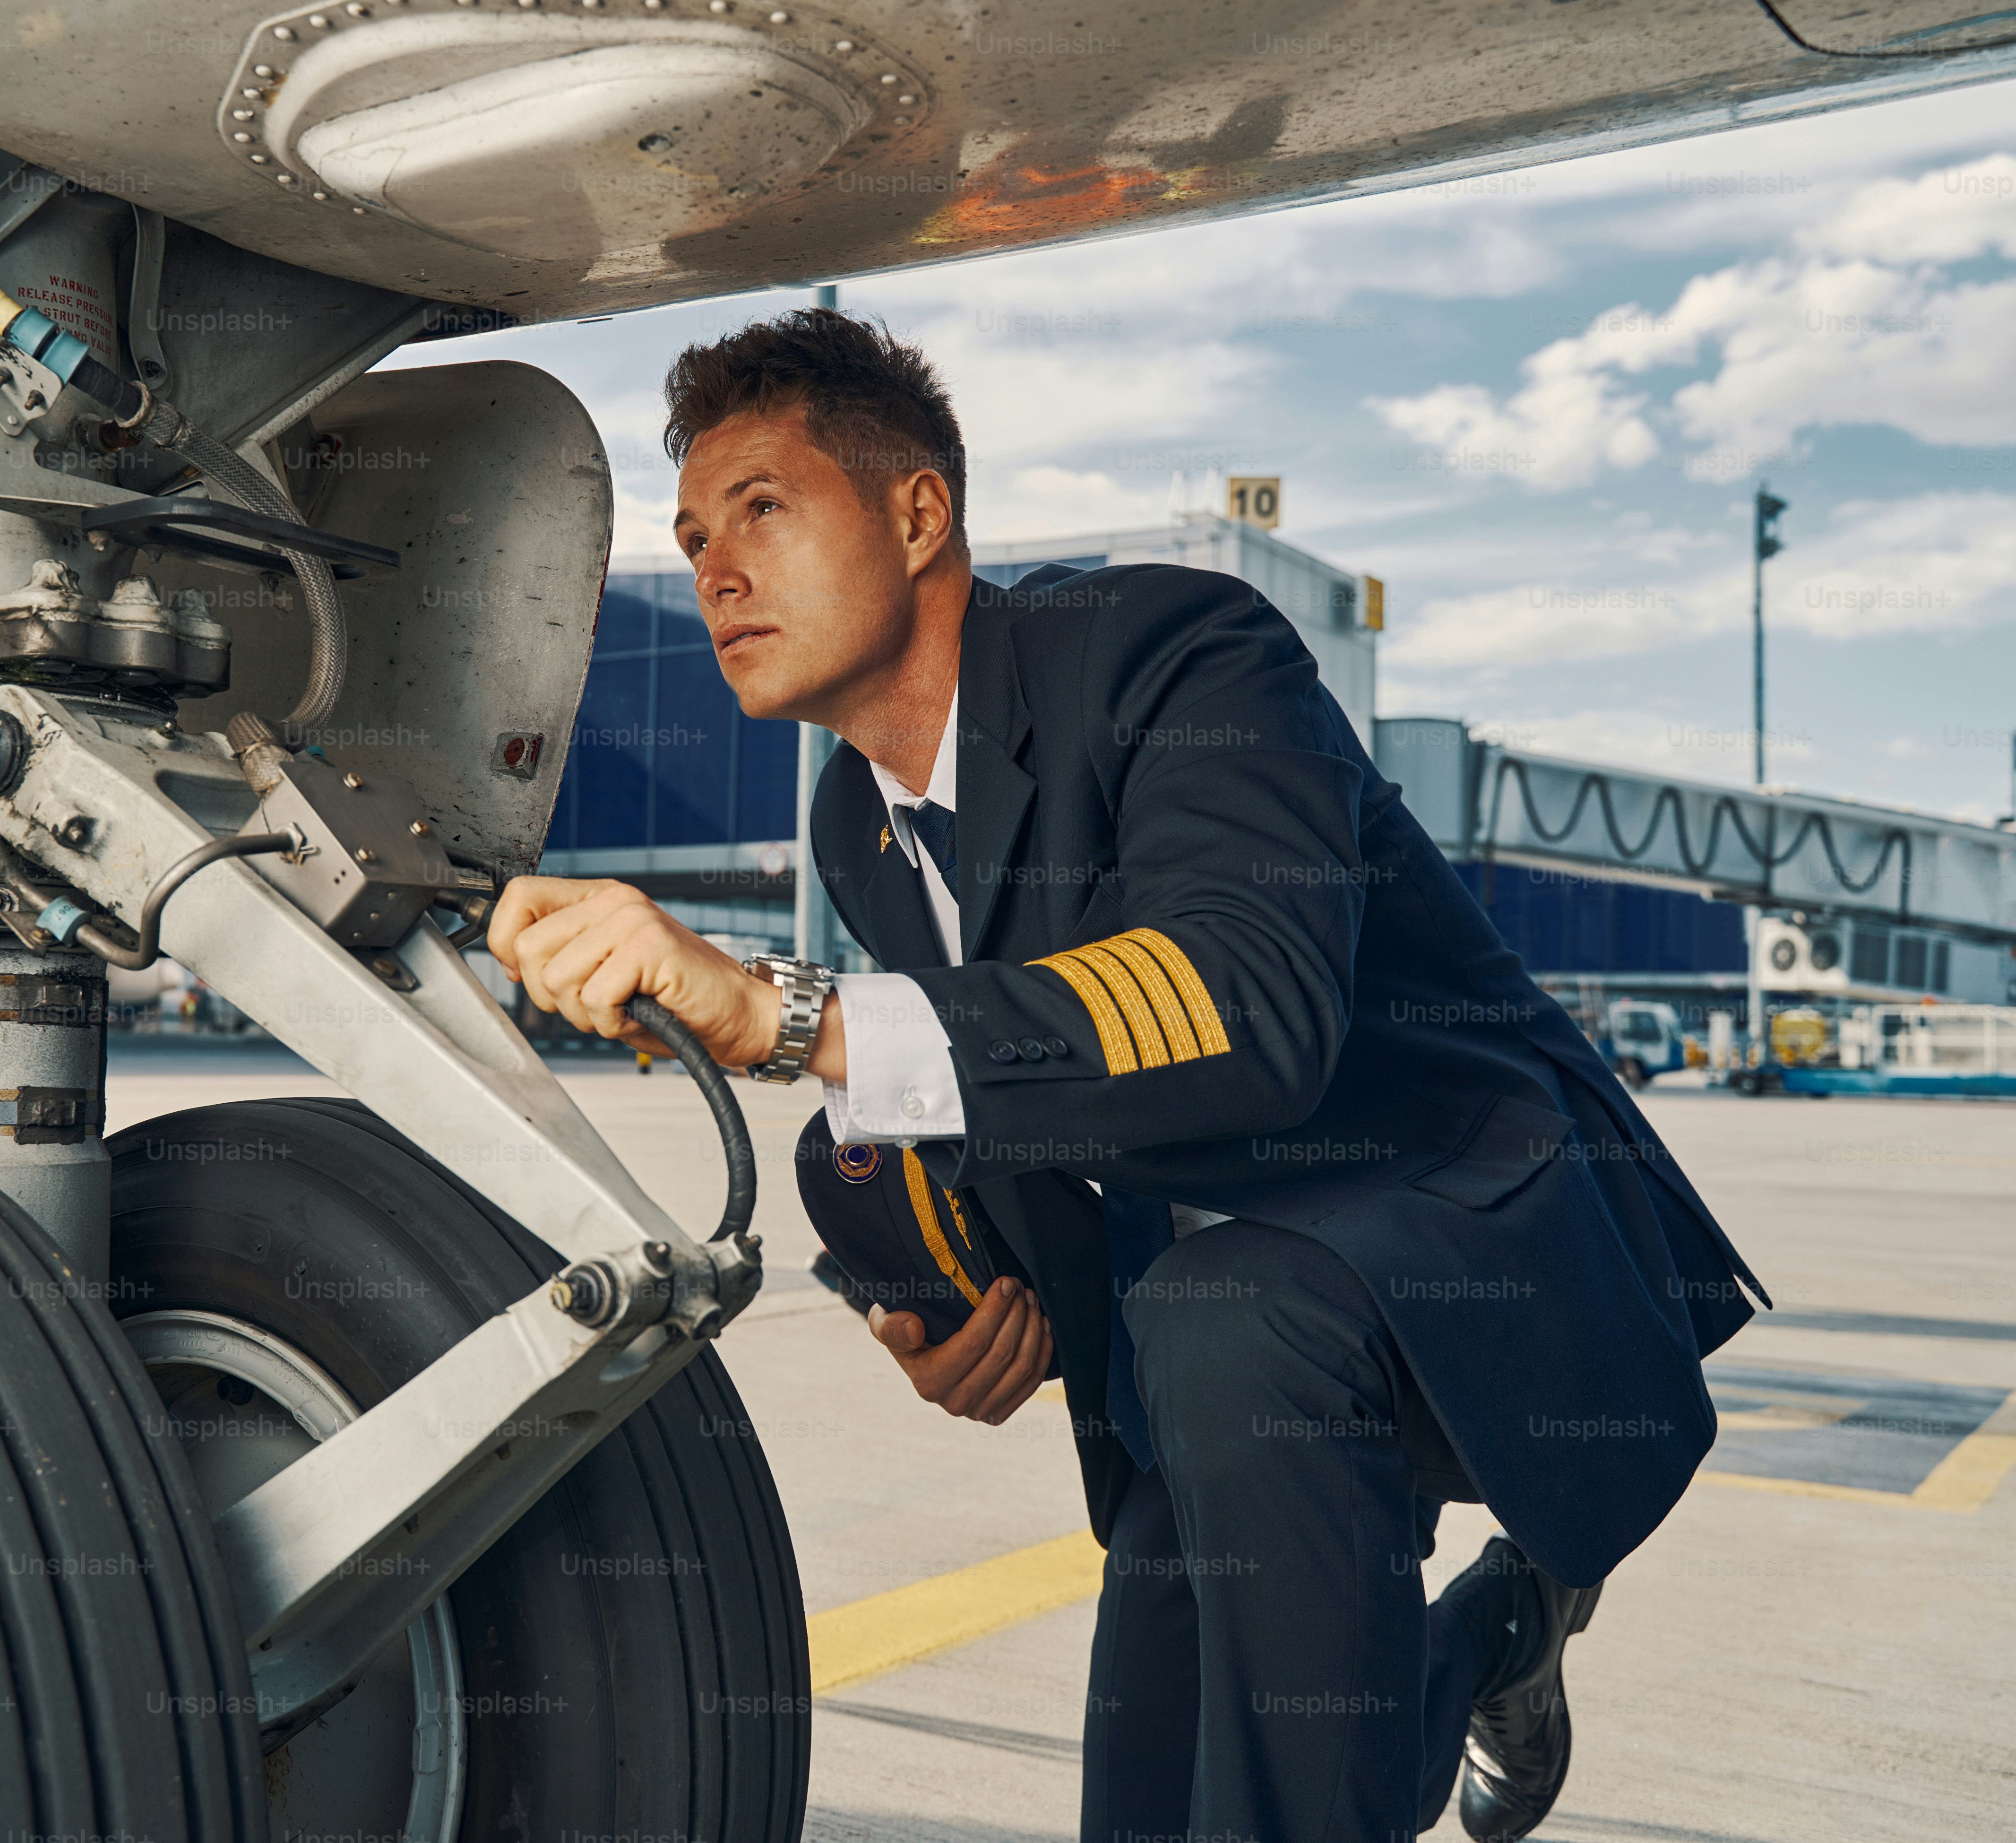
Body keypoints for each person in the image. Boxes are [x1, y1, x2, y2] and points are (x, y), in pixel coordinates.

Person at [488, 310, 1764, 1842]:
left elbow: (1244, 1002)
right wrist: (950, 1296)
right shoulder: (854, 823)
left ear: (917, 513)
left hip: (1467, 1226)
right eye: (693, 535)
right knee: (1157, 1769)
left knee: (1221, 1333)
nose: (713, 569)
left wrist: (785, 1009)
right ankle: (1493, 1634)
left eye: (761, 507)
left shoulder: (1170, 648)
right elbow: (1003, 1085)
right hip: (1201, 1314)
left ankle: (1498, 1613)